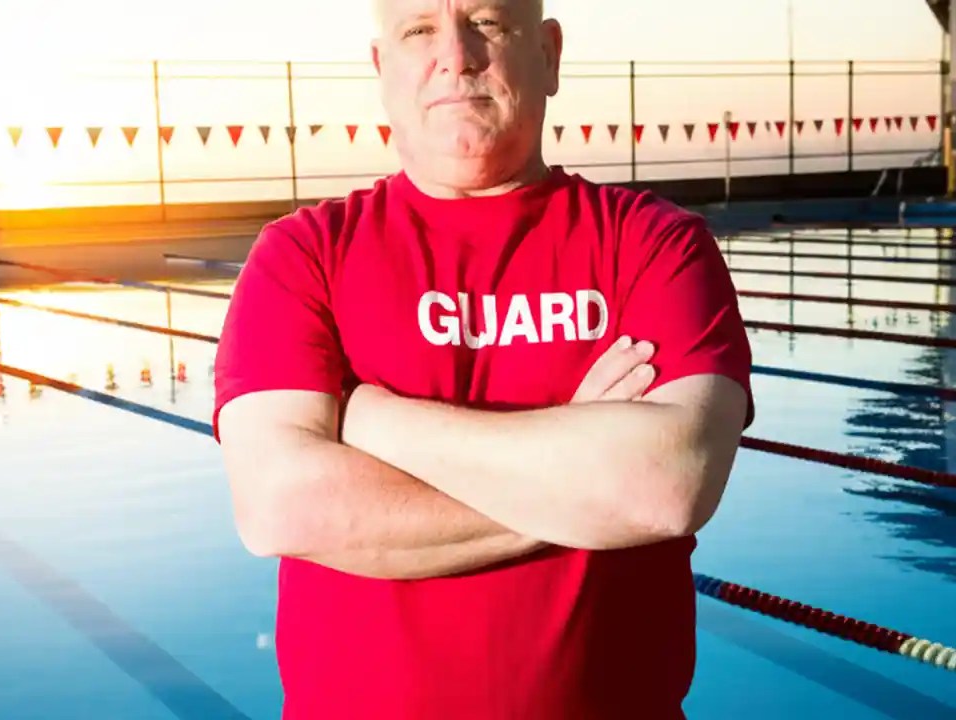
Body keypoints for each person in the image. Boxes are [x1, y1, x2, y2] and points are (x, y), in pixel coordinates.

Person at [212, 1, 754, 717]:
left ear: (549, 54)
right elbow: (281, 507)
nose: (457, 56)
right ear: (382, 67)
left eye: (487, 23)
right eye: (419, 30)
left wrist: (374, 421)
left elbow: (666, 487)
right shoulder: (303, 256)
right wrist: (580, 483)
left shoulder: (655, 245)